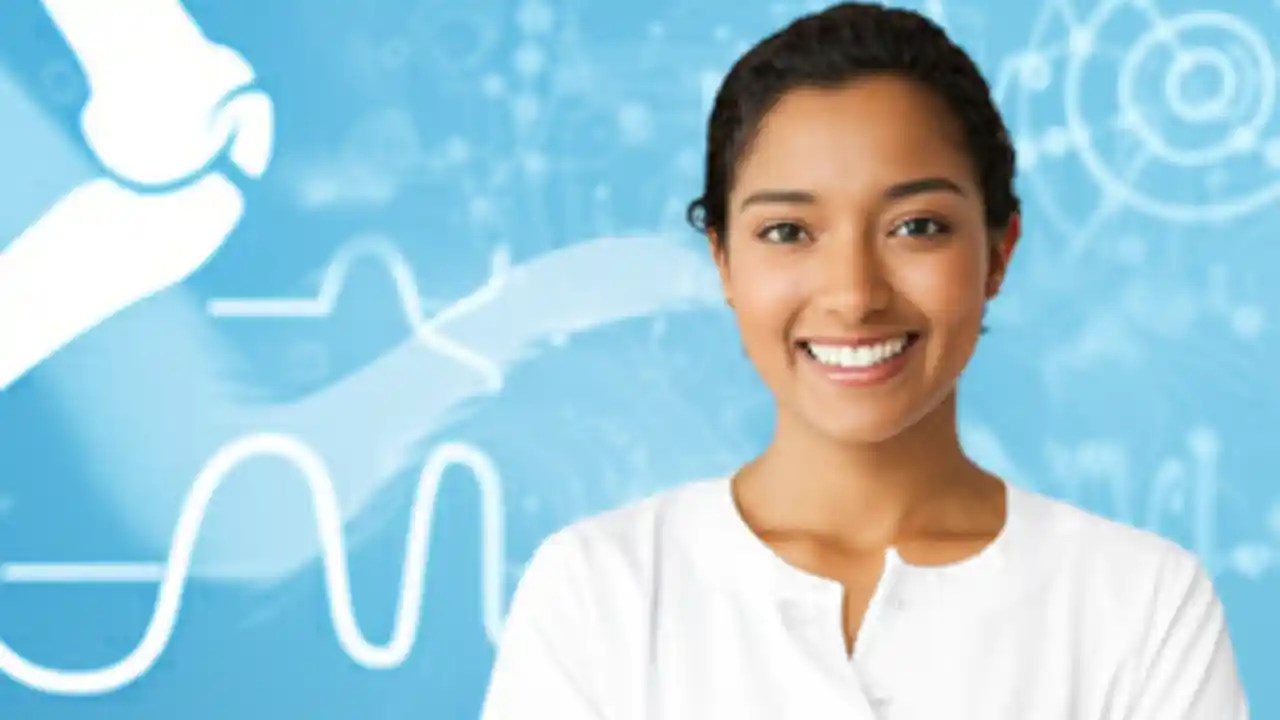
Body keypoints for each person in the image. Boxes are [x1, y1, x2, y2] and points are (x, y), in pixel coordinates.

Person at [479, 3, 1250, 718]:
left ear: (998, 253)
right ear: (721, 259)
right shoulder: (598, 592)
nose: (853, 295)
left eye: (916, 226)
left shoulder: (1142, 605)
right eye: (788, 232)